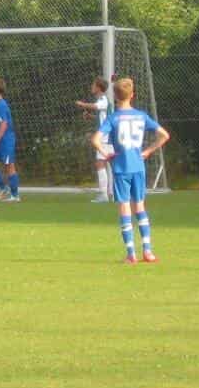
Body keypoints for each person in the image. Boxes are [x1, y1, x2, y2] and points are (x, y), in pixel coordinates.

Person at [94, 76, 168, 262]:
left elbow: (95, 140)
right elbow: (164, 135)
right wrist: (148, 151)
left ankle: (131, 254)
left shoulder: (113, 118)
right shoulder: (141, 116)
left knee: (125, 207)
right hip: (138, 167)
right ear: (132, 95)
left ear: (115, 97)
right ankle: (148, 251)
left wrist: (106, 153)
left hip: (121, 168)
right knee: (140, 207)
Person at [72, 76, 114, 202]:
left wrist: (82, 104)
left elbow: (96, 106)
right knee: (110, 164)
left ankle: (104, 194)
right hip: (107, 137)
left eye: (93, 85)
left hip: (105, 137)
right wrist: (90, 117)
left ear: (98, 87)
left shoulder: (103, 99)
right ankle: (113, 193)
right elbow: (103, 119)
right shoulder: (104, 101)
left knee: (101, 163)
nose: (92, 87)